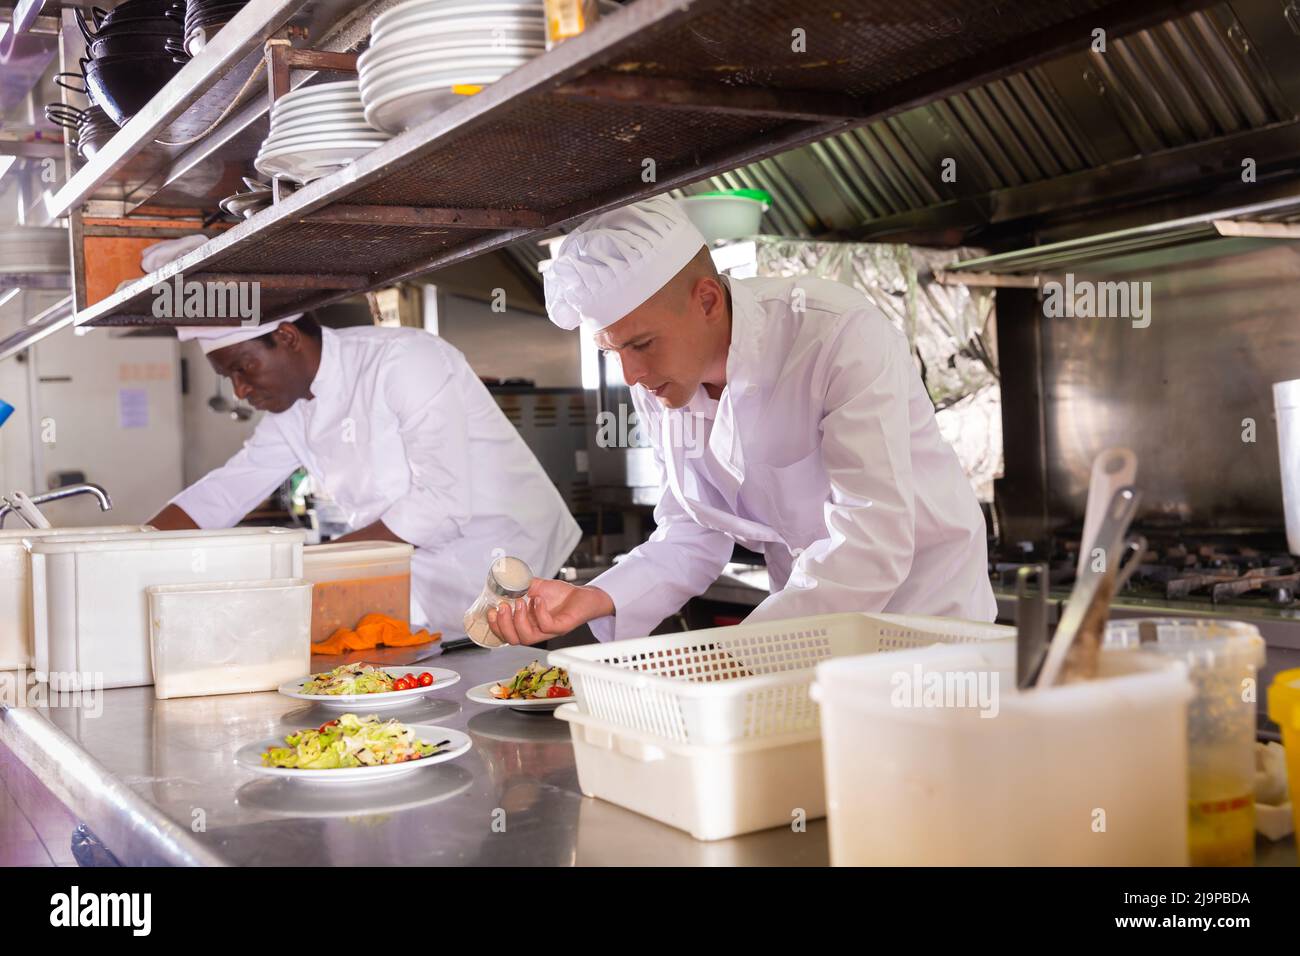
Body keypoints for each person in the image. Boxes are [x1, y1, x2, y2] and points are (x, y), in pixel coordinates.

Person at [487, 195, 995, 645]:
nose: (632, 373)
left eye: (641, 343)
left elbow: (870, 537)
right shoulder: (659, 381)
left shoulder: (836, 336)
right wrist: (594, 597)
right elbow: (692, 528)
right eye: (610, 351)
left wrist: (738, 654)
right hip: (809, 637)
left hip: (925, 625)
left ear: (706, 299)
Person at [149, 314, 581, 635]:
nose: (239, 390)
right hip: (434, 598)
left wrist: (303, 569)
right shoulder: (293, 408)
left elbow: (439, 505)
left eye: (243, 368)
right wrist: (133, 549)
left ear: (286, 337)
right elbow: (227, 490)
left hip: (524, 584)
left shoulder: (404, 360)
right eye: (228, 378)